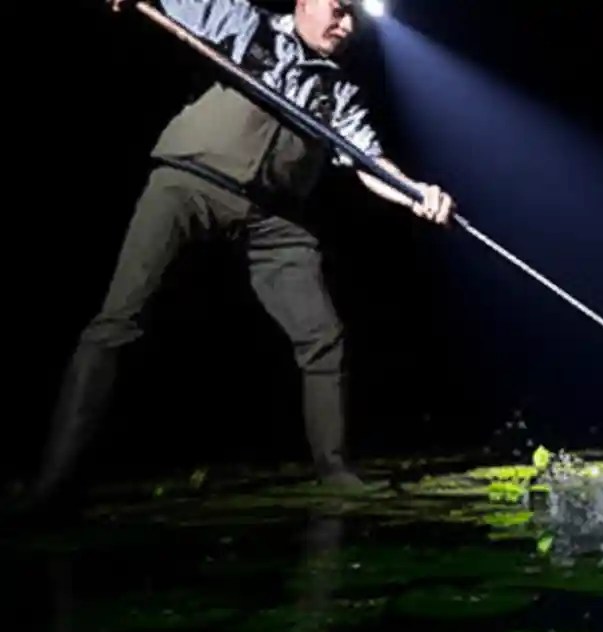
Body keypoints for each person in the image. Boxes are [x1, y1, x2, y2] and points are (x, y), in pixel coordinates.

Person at [16, 0, 452, 512]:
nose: (346, 25)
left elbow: (367, 161)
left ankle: (334, 470)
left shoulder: (337, 90)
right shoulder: (253, 29)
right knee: (119, 320)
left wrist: (418, 192)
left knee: (322, 337)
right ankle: (55, 482)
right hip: (189, 185)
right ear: (304, 3)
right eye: (337, 9)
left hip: (272, 216)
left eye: (353, 17)